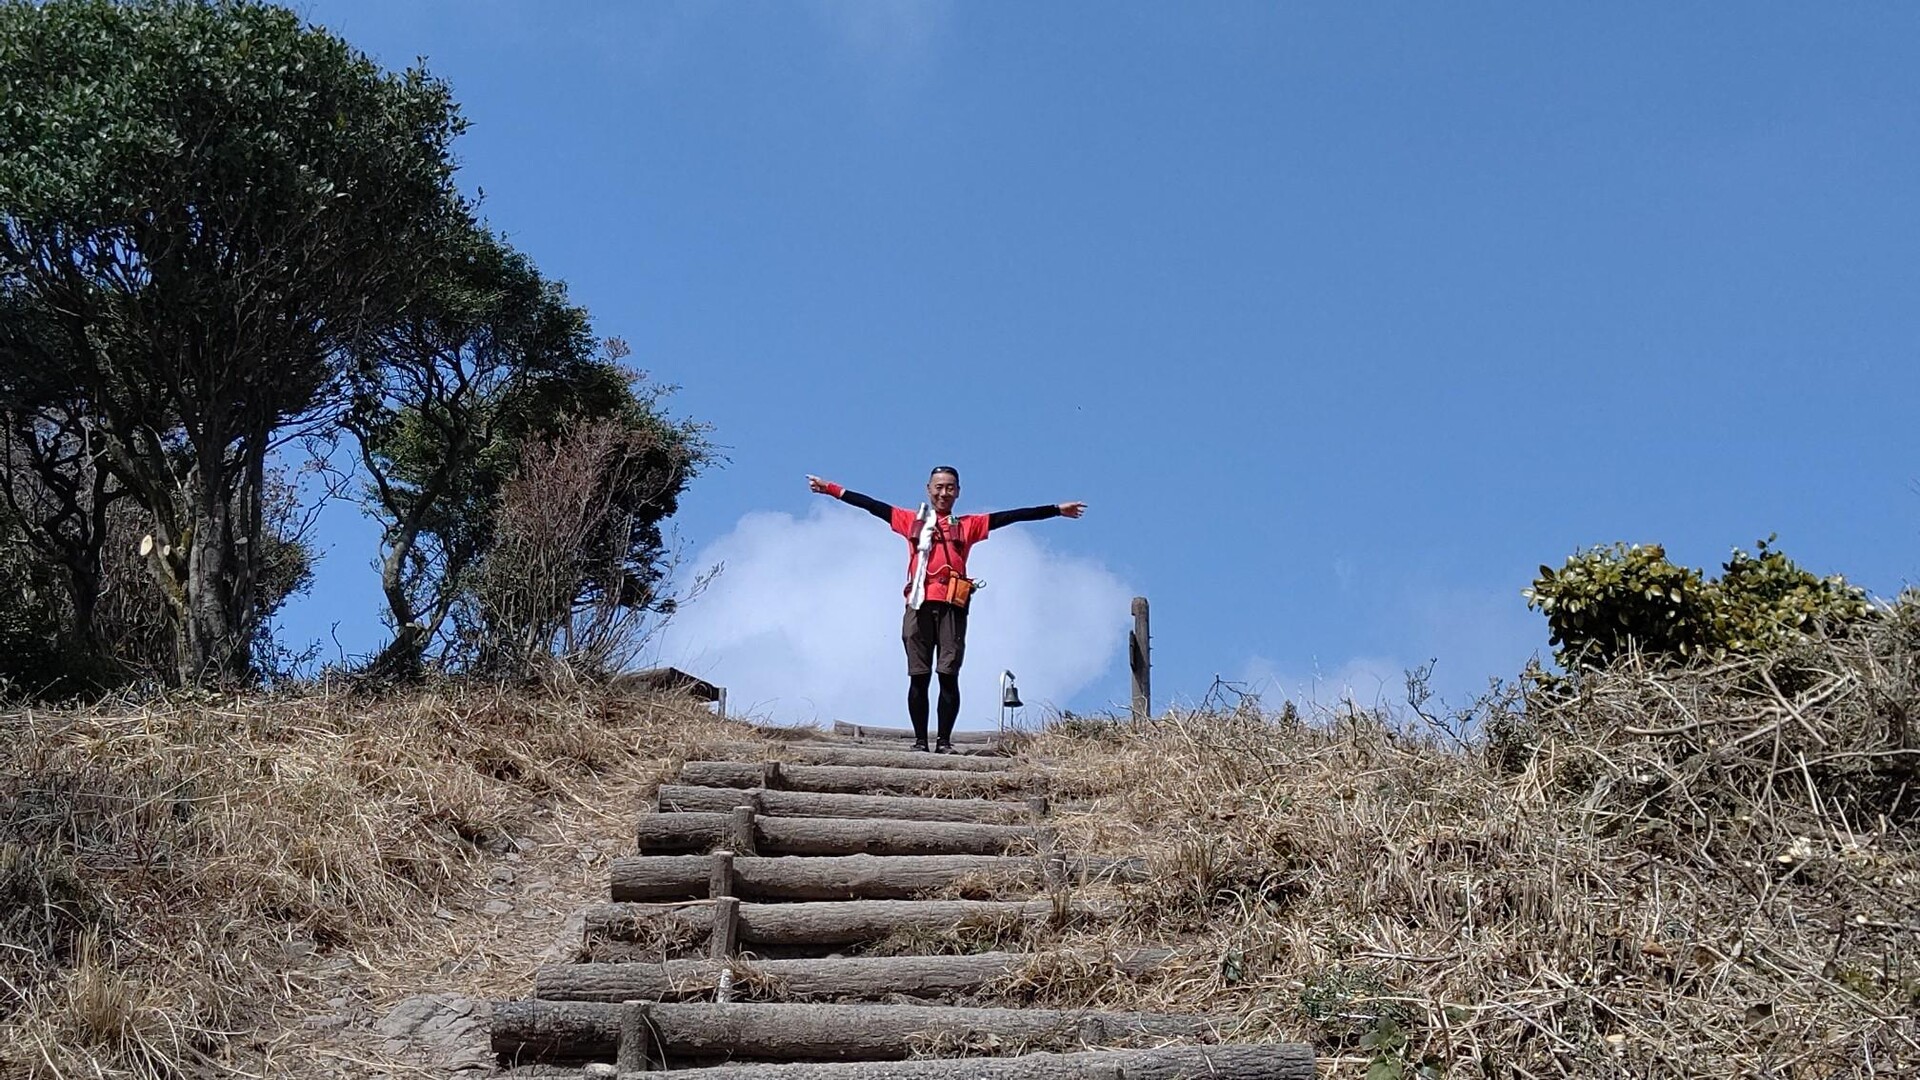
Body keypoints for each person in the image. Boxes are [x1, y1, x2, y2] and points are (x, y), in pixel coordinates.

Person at [807, 466, 1086, 752]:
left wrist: (1056, 510)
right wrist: (830, 488)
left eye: (950, 487)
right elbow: (870, 505)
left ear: (958, 492)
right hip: (918, 604)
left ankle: (943, 741)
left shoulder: (968, 525)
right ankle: (919, 741)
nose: (944, 492)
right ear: (928, 489)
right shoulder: (909, 520)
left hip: (953, 606)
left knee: (948, 675)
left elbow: (1012, 516)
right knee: (919, 675)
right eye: (939, 487)